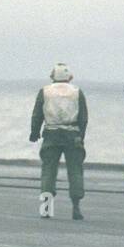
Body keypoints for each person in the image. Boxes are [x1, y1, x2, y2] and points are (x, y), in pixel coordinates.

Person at [30, 62, 88, 220]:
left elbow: (37, 115)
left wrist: (34, 133)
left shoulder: (45, 91)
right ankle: (76, 207)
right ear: (70, 77)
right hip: (72, 135)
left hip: (51, 134)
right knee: (75, 171)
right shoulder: (77, 92)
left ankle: (46, 208)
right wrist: (81, 136)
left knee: (48, 171)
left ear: (52, 76)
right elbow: (83, 118)